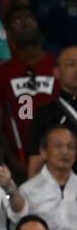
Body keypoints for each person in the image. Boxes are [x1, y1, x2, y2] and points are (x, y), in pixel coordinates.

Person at [0, 5, 57, 178]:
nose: (24, 23)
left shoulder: (59, 66)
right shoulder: (0, 75)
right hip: (20, 160)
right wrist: (13, 162)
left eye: (29, 18)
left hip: (59, 154)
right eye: (17, 21)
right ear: (9, 33)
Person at [19, 124, 77, 230]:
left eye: (71, 146)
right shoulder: (27, 191)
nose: (65, 151)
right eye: (58, 146)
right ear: (43, 152)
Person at [29, 45, 77, 176]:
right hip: (62, 190)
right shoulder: (44, 113)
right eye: (71, 64)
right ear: (56, 72)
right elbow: (36, 161)